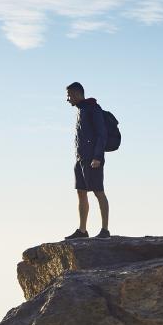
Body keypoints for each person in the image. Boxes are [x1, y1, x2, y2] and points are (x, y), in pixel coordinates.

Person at [64, 82, 111, 239]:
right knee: (81, 192)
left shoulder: (93, 108)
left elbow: (101, 134)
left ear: (77, 94)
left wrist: (98, 156)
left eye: (69, 95)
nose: (67, 99)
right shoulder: (81, 110)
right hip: (81, 159)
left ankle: (105, 230)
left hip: (93, 159)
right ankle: (82, 231)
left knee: (98, 192)